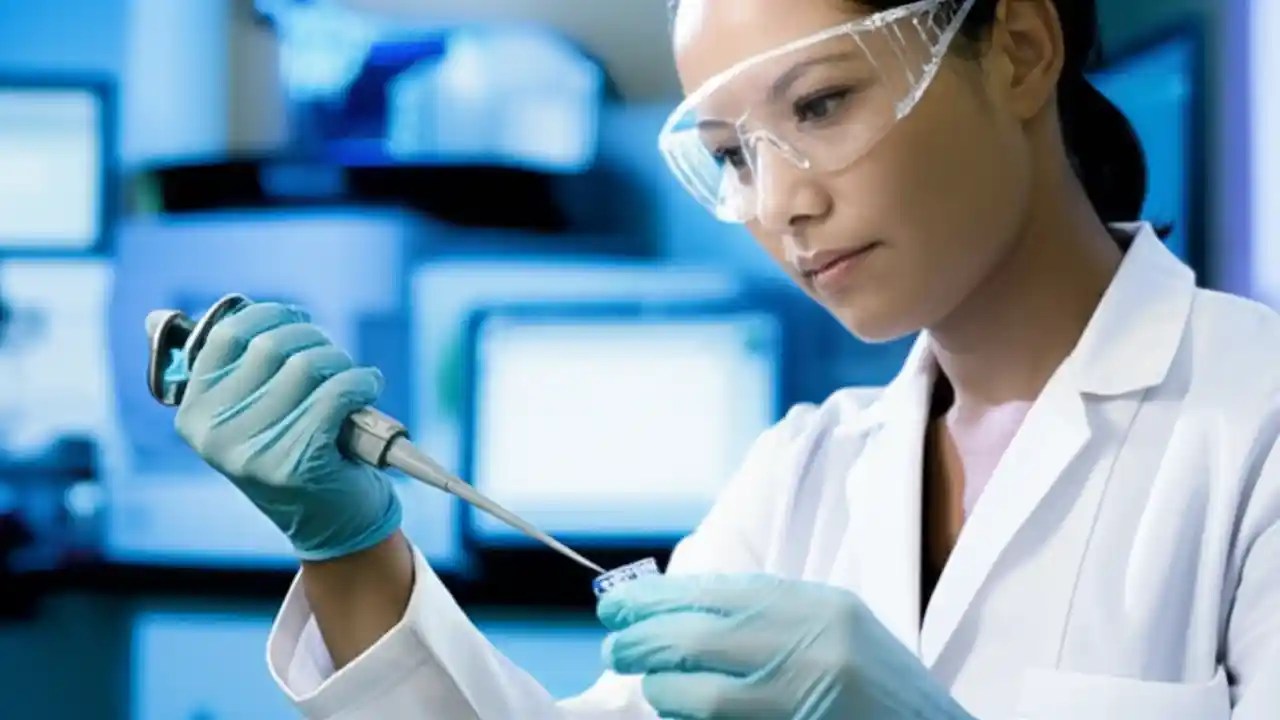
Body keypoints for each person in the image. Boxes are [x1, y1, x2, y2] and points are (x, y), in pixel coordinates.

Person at [173, 0, 1279, 717]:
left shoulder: (1253, 422)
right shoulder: (802, 472)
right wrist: (349, 547)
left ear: (1022, 51)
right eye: (729, 156)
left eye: (822, 104)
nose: (783, 203)